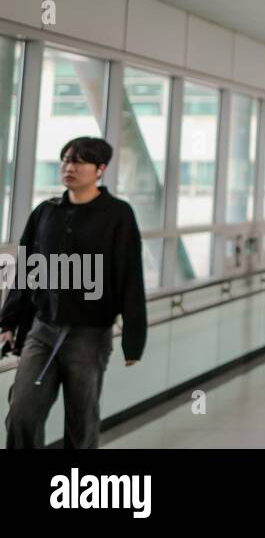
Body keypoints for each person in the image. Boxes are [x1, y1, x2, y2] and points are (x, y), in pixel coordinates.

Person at [2, 138, 147, 450]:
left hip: (89, 335)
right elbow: (25, 270)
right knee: (21, 413)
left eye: (80, 162)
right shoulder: (45, 212)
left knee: (81, 421)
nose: (70, 167)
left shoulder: (117, 215)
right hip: (43, 331)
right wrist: (8, 323)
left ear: (100, 170)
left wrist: (134, 339)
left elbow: (130, 277)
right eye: (66, 160)